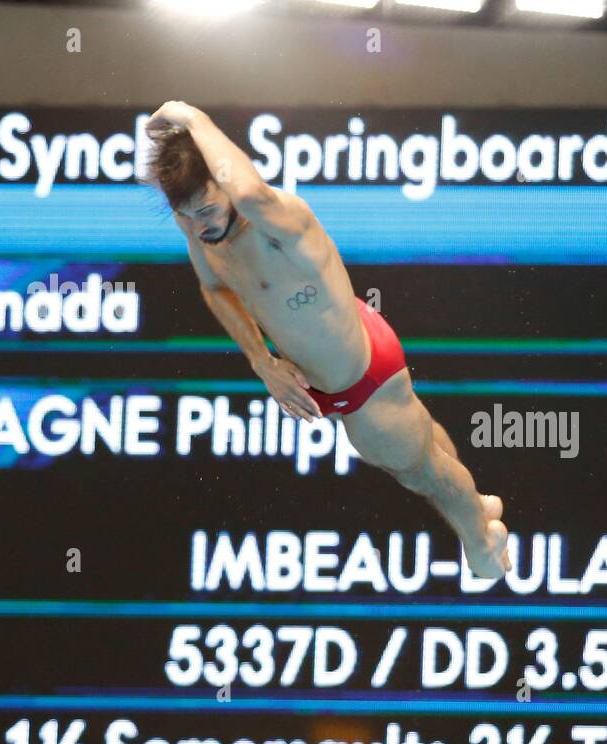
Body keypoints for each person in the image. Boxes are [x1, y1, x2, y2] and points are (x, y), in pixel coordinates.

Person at [143, 101, 510, 579]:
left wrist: (192, 118)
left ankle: (483, 545)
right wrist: (263, 362)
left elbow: (249, 191)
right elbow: (214, 289)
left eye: (208, 209)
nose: (198, 226)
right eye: (185, 216)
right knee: (419, 453)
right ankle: (476, 505)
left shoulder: (278, 219)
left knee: (421, 472)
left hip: (362, 379)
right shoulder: (200, 227)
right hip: (334, 350)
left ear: (225, 184)